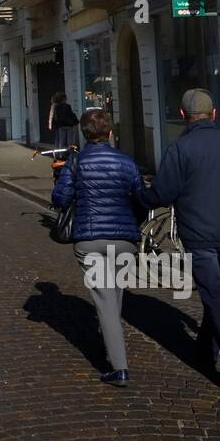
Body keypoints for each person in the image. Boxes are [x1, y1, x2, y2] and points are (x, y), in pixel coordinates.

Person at [146, 88, 220, 399]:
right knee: (219, 297)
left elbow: (161, 194)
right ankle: (204, 352)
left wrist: (136, 195)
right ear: (214, 114)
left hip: (200, 235)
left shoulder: (180, 149)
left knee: (216, 300)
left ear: (183, 116)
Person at [51, 107, 148, 386]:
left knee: (105, 300)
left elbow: (61, 198)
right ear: (109, 132)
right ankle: (111, 340)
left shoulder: (77, 162)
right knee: (113, 295)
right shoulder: (126, 162)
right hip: (123, 240)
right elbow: (141, 199)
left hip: (90, 239)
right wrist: (131, 224)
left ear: (84, 133)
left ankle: (119, 367)